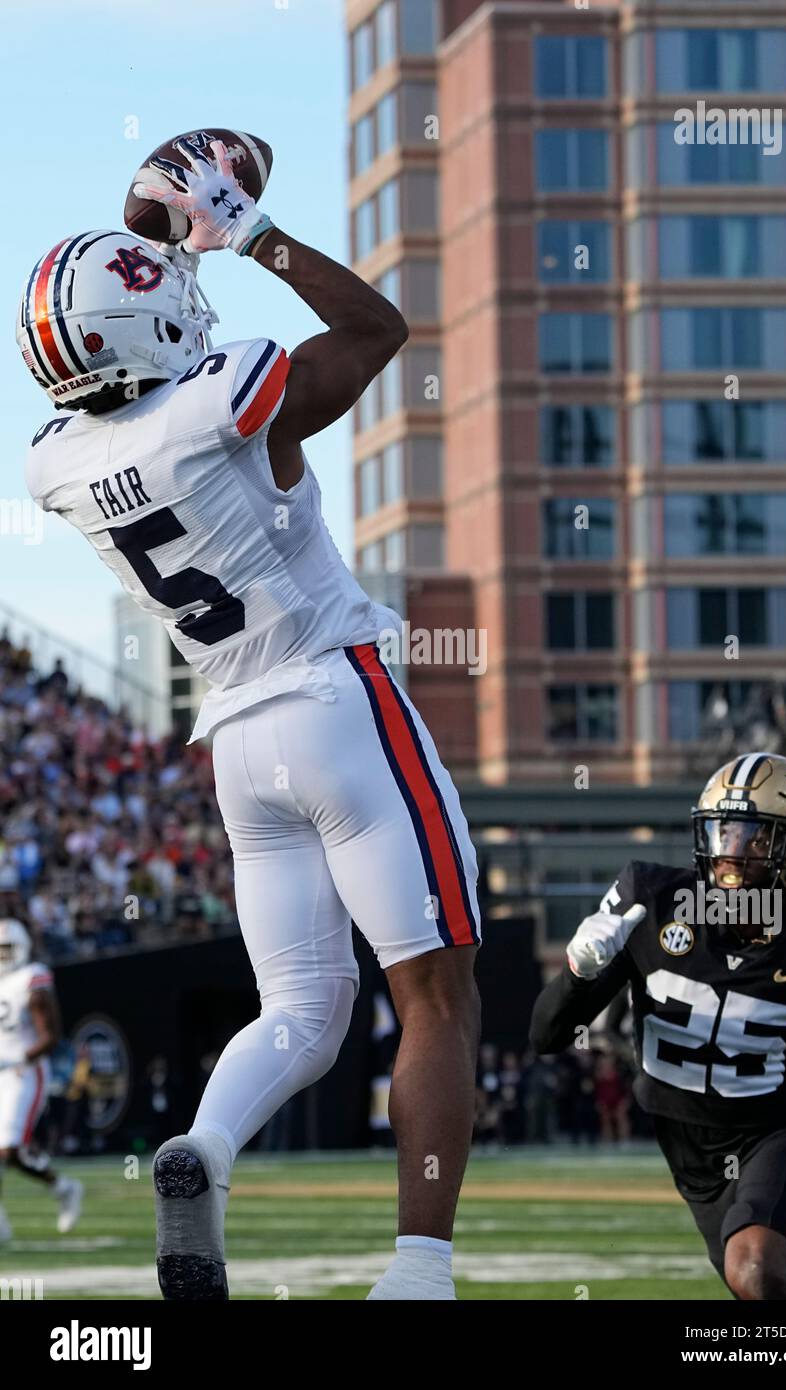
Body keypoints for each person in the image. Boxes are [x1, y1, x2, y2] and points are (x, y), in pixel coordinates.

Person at [19, 137, 481, 1300]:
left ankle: (207, 1148)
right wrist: (243, 230)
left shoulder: (59, 463)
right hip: (335, 696)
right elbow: (378, 333)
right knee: (433, 991)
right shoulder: (234, 403)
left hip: (234, 740)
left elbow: (125, 352)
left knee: (302, 1008)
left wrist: (148, 264)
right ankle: (419, 1268)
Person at [531, 752, 786, 1300]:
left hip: (780, 1138)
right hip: (696, 1165)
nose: (731, 855)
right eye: (723, 832)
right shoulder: (652, 901)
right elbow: (545, 1036)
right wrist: (576, 973)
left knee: (755, 1271)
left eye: (754, 838)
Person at [0, 919, 83, 1239]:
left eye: (8, 949)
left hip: (24, 1071)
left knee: (10, 1150)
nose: (4, 956)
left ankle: (65, 1189)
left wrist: (20, 1058)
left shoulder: (31, 978)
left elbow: (51, 1035)